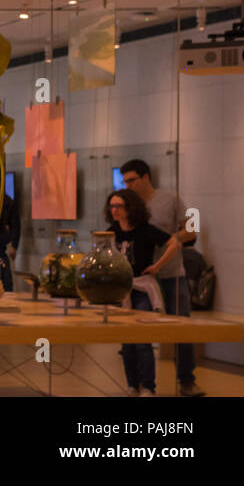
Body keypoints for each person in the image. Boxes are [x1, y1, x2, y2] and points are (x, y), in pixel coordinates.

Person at [120, 159, 203, 397]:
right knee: (138, 331)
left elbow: (191, 230)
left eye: (132, 180)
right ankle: (139, 384)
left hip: (171, 274)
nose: (128, 185)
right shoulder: (128, 204)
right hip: (141, 280)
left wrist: (168, 239)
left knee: (182, 328)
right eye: (125, 181)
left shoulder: (170, 200)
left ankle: (187, 380)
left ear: (146, 177)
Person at [106, 188, 180, 397]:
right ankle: (132, 385)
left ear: (130, 208)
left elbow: (174, 242)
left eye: (119, 206)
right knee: (127, 342)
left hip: (142, 288)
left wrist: (157, 266)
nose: (115, 210)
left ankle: (148, 386)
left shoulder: (145, 230)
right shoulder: (112, 231)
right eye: (112, 206)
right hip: (121, 290)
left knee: (142, 340)